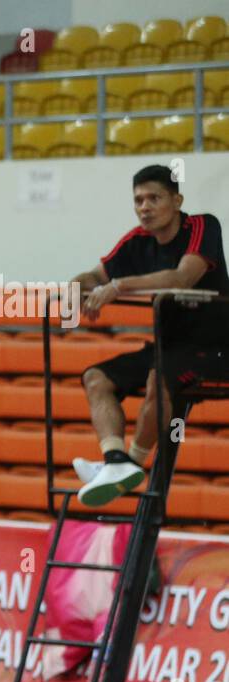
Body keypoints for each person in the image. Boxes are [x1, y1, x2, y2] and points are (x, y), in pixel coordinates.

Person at [69, 165, 227, 506]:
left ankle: (131, 464)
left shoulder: (203, 226)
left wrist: (119, 286)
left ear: (176, 200)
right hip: (167, 346)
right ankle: (114, 460)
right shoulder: (136, 241)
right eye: (138, 200)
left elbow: (182, 278)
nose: (145, 207)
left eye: (154, 198)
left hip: (214, 351)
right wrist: (74, 288)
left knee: (160, 375)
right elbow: (95, 275)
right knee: (96, 378)